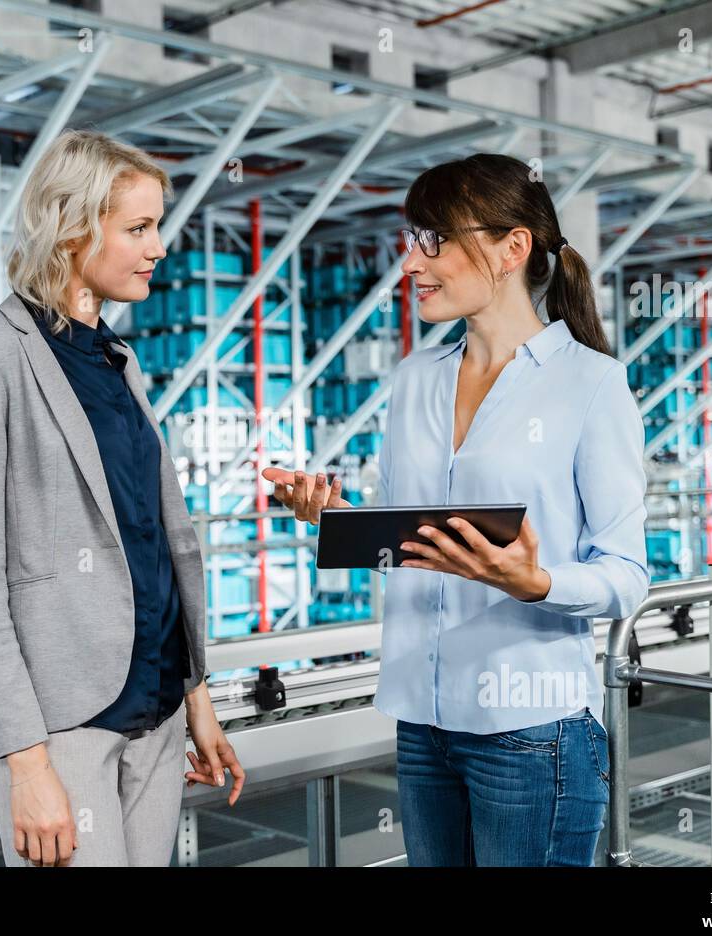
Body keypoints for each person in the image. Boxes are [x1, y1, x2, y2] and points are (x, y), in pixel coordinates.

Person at [263, 153, 649, 866]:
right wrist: (334, 521)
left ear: (512, 248)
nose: (413, 263)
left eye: (435, 240)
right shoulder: (414, 380)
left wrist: (536, 582)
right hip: (423, 720)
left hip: (530, 731)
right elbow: (411, 541)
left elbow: (626, 573)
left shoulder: (591, 385)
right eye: (414, 239)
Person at [0, 129, 244, 867]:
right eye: (138, 228)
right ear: (72, 229)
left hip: (158, 709)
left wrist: (196, 697)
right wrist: (26, 761)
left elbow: (158, 542)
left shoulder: (117, 361)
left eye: (156, 226)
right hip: (63, 724)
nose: (157, 246)